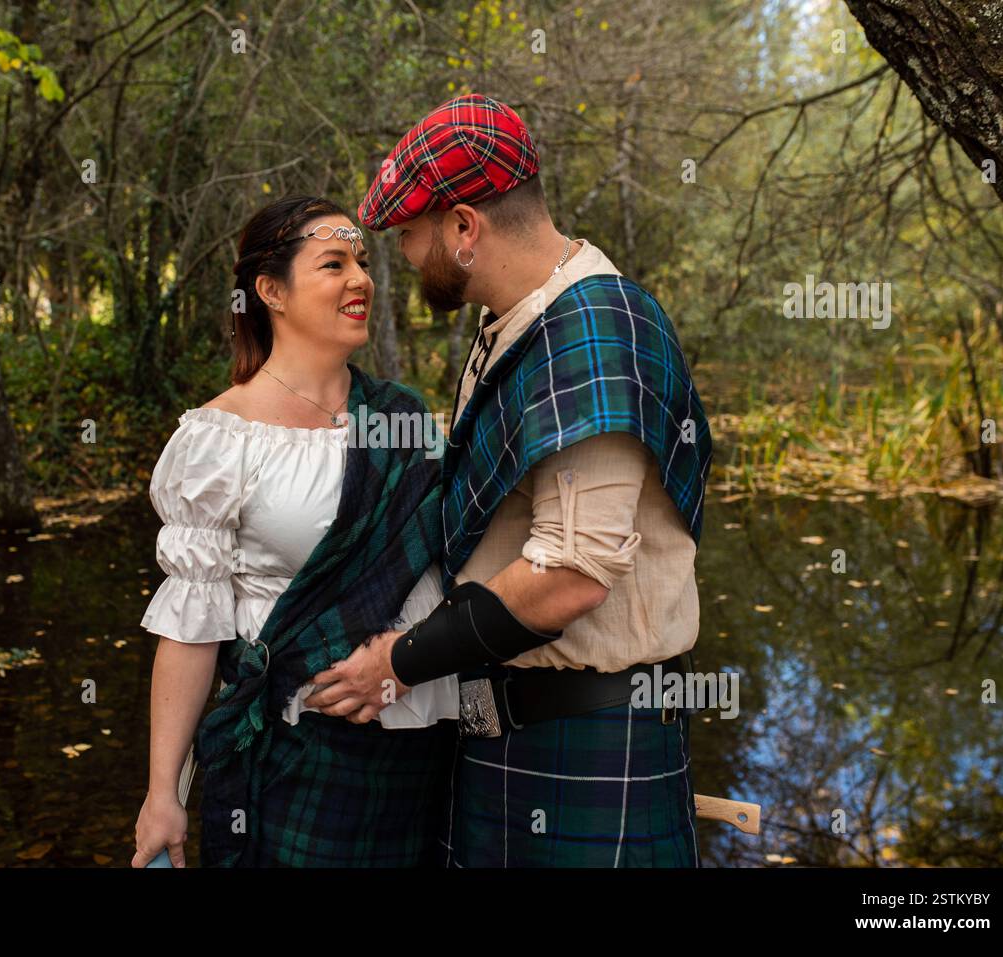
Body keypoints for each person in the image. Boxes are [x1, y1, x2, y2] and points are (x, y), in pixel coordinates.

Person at [306, 93, 714, 867]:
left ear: (465, 228)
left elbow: (570, 576)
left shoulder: (593, 328)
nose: (403, 255)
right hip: (510, 738)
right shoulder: (516, 324)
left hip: (591, 744)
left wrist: (396, 660)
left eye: (412, 235)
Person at [132, 197, 458, 868]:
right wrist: (163, 790)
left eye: (363, 262)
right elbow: (193, 628)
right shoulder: (219, 440)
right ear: (271, 291)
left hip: (427, 744)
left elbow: (443, 566)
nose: (360, 280)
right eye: (333, 263)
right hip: (297, 751)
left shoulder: (398, 416)